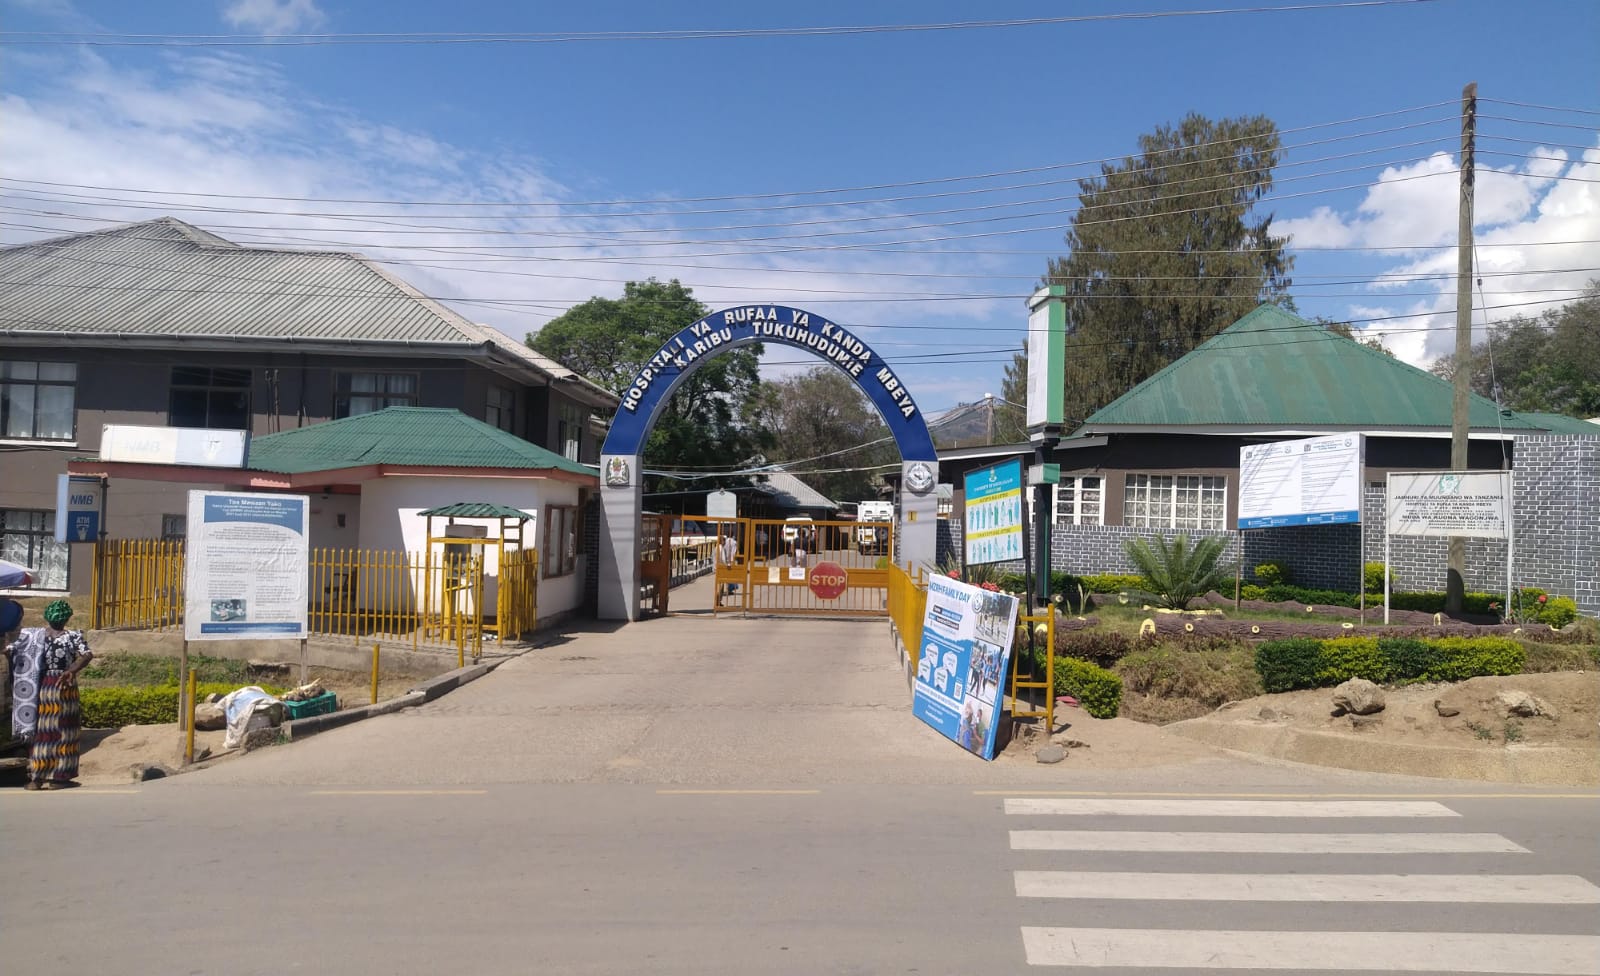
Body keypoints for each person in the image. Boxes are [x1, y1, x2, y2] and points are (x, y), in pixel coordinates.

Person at [7, 599, 93, 790]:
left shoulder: (34, 635)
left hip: (43, 685)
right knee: (63, 731)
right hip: (62, 685)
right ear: (68, 617)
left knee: (42, 730)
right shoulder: (71, 636)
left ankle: (37, 778)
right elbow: (87, 654)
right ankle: (57, 777)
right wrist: (71, 670)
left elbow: (11, 650)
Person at [718, 532, 739, 602]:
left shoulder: (724, 543)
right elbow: (735, 552)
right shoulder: (734, 542)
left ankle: (724, 592)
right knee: (731, 576)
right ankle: (729, 590)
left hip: (725, 562)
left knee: (726, 578)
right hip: (729, 561)